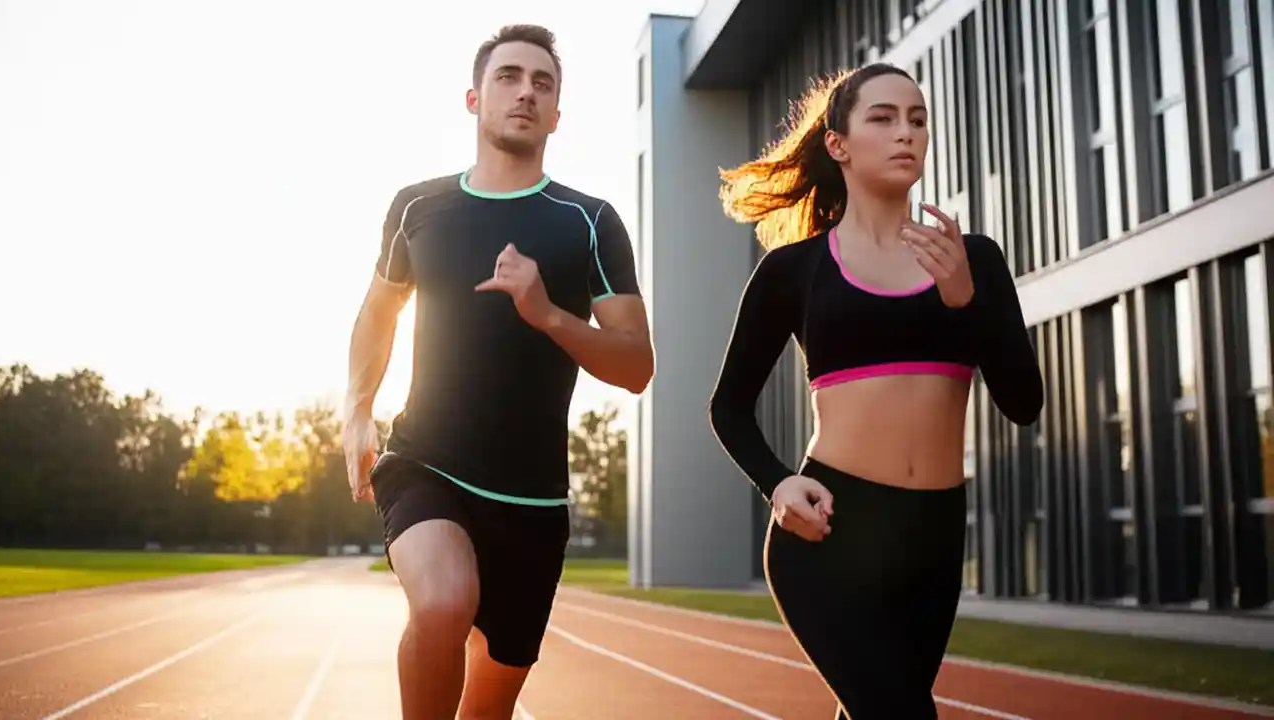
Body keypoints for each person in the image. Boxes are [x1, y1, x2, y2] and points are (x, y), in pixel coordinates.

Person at [708, 63, 1043, 719]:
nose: (906, 134)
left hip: (934, 537)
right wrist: (777, 483)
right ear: (838, 144)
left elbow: (1024, 404)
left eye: (917, 119)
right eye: (884, 118)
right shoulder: (793, 271)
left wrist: (966, 302)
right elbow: (729, 407)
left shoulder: (974, 260)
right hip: (831, 531)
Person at [341, 24, 653, 720]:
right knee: (445, 602)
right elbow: (379, 311)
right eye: (510, 77)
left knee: (489, 706)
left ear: (557, 115)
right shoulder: (417, 207)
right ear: (474, 98)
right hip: (426, 463)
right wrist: (358, 410)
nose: (526, 92)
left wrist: (548, 314)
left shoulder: (589, 222)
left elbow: (636, 365)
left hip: (533, 503)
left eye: (542, 83)